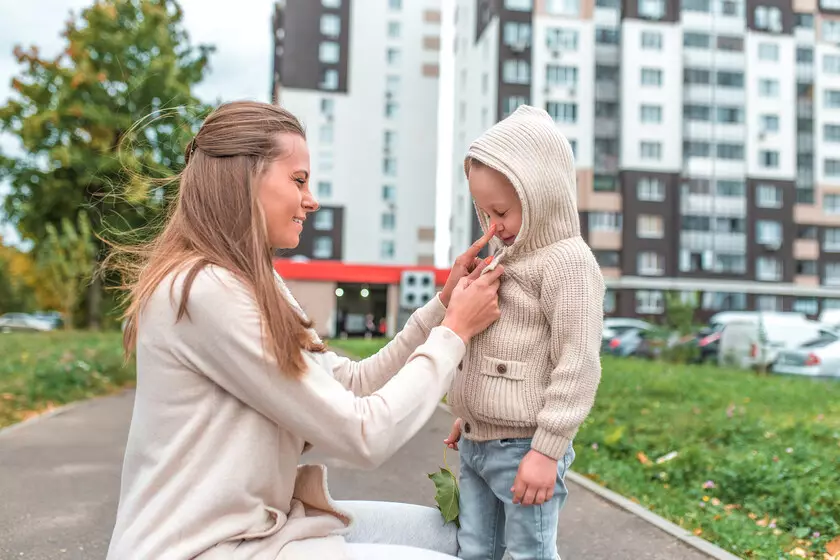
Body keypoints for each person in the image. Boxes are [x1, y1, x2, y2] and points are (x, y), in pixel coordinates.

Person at [103, 100, 505, 560]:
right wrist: (453, 333)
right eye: (298, 180)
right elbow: (364, 434)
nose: (311, 200)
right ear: (246, 178)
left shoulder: (253, 280)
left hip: (261, 530)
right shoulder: (204, 289)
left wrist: (442, 309)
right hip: (205, 548)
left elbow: (347, 385)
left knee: (467, 538)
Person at [442, 105, 605, 559]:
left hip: (525, 450)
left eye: (501, 211)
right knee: (474, 549)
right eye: (483, 211)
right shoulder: (503, 259)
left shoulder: (568, 264)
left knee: (527, 553)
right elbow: (496, 345)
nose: (492, 226)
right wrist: (474, 407)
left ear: (542, 194)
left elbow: (577, 364)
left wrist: (547, 451)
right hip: (478, 442)